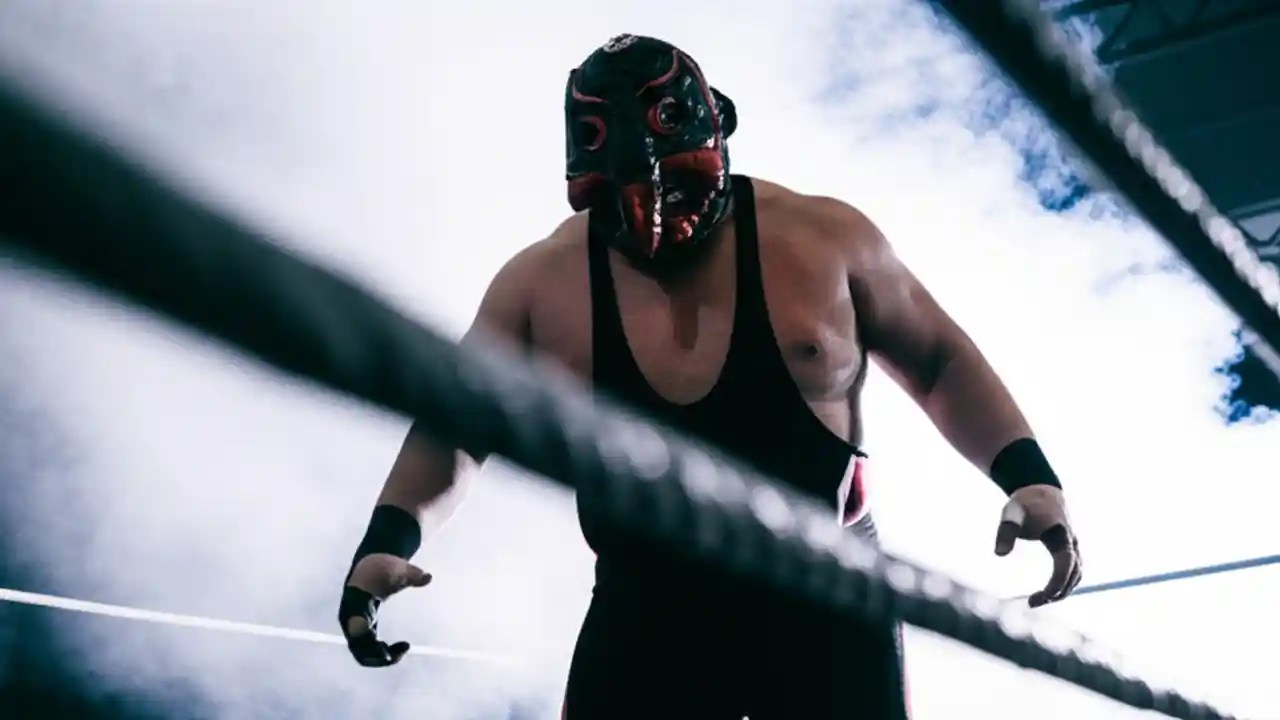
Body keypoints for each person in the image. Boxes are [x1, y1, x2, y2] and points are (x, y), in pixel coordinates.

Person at [335, 34, 1083, 719]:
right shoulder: (540, 284)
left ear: (717, 138)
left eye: (676, 192)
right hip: (647, 609)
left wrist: (1028, 475)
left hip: (828, 596)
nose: (654, 219)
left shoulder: (823, 241)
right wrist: (388, 538)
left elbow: (937, 360)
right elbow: (460, 422)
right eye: (625, 204)